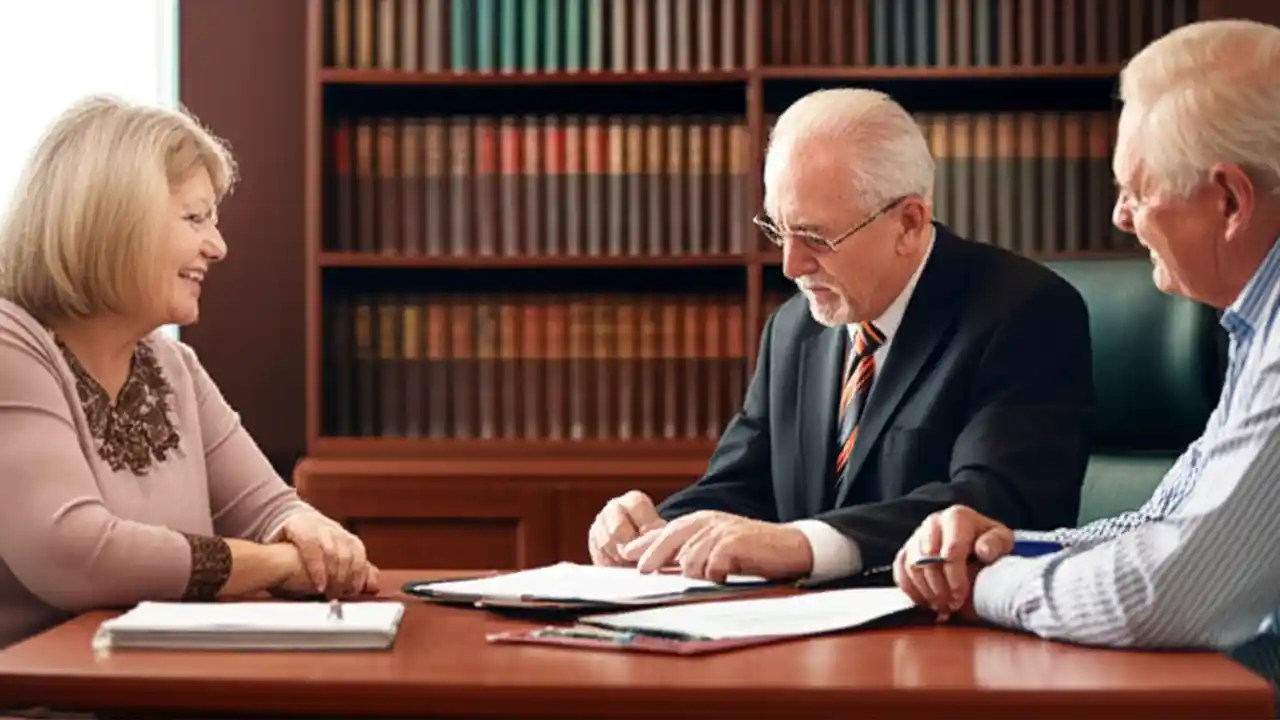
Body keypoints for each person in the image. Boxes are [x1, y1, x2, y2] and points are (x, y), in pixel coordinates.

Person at [892, 18, 1280, 678]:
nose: (1120, 218)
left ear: (1229, 200)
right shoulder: (1254, 323)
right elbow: (1166, 523)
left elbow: (1160, 595)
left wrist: (982, 589)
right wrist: (1009, 548)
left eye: (1137, 190)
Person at [587, 88, 1095, 583]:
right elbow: (742, 487)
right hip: (798, 642)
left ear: (909, 223)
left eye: (815, 237)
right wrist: (654, 529)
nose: (790, 265)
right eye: (777, 231)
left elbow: (996, 503)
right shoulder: (793, 329)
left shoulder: (1024, 312)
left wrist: (804, 545)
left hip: (945, 639)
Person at [0, 95, 377, 648]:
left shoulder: (172, 364)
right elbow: (73, 555)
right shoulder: (10, 343)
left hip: (154, 689)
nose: (218, 246)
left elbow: (269, 509)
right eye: (195, 218)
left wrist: (316, 537)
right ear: (113, 221)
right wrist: (273, 563)